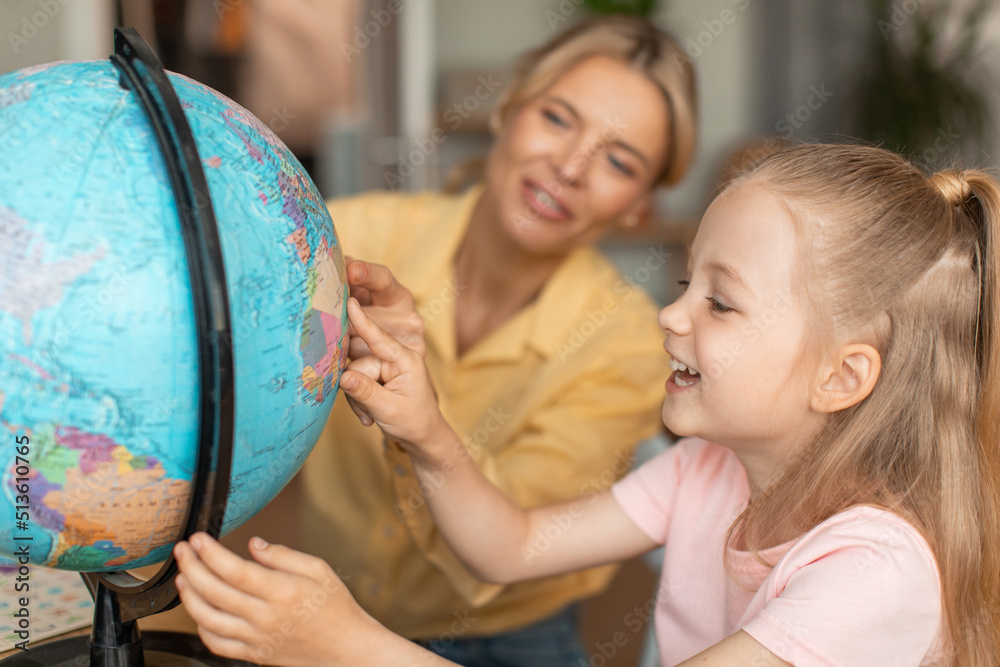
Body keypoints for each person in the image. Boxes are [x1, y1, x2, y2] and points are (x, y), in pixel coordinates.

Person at [174, 143, 1000, 666]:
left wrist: (351, 649)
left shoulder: (876, 575)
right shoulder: (707, 473)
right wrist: (426, 428)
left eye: (721, 303)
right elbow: (514, 544)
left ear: (841, 378)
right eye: (685, 283)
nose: (670, 315)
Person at [286, 15, 697, 666]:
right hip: (325, 607)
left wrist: (419, 412)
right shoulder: (351, 237)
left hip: (508, 643)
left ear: (637, 205)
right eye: (558, 119)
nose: (570, 165)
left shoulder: (626, 346)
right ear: (508, 111)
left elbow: (502, 551)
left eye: (620, 161)